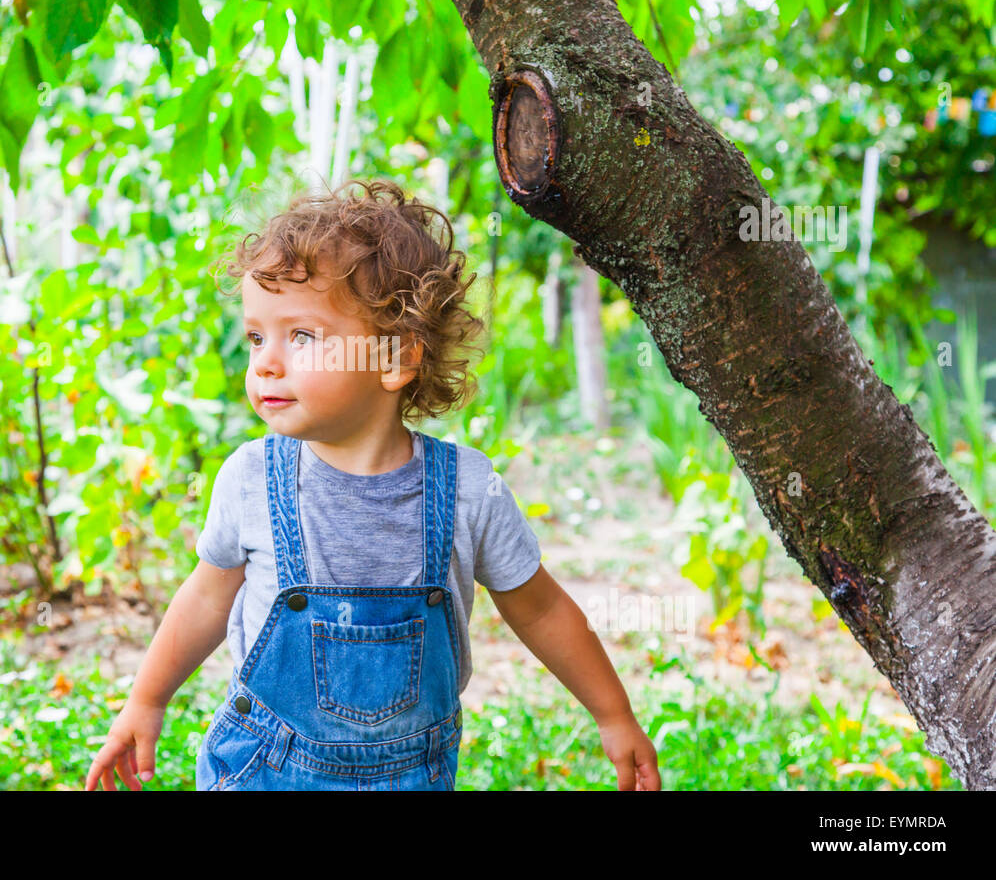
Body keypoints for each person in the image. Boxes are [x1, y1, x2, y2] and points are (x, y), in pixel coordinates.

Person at [84, 177, 660, 791]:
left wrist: (613, 712)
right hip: (262, 772)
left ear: (395, 359)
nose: (265, 362)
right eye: (258, 336)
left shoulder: (466, 490)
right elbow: (205, 598)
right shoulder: (253, 479)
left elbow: (540, 607)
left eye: (300, 336)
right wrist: (145, 702)